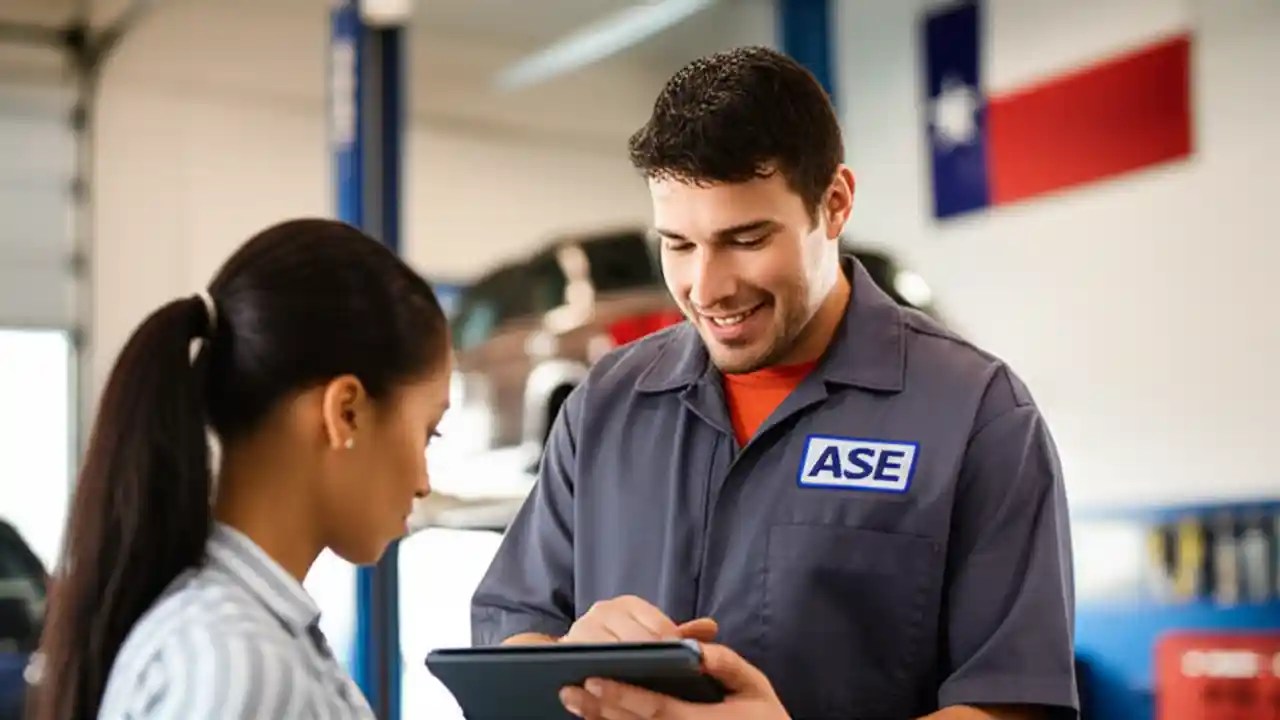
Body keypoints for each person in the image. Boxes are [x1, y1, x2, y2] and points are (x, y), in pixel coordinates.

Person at [471, 46, 1078, 720]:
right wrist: (565, 661)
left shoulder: (976, 418)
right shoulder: (607, 405)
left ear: (836, 204)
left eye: (747, 239)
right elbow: (512, 628)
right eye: (677, 244)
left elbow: (1014, 705)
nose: (708, 287)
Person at [29, 219, 452, 720]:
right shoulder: (238, 662)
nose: (425, 482)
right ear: (346, 413)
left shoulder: (247, 640)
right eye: (428, 432)